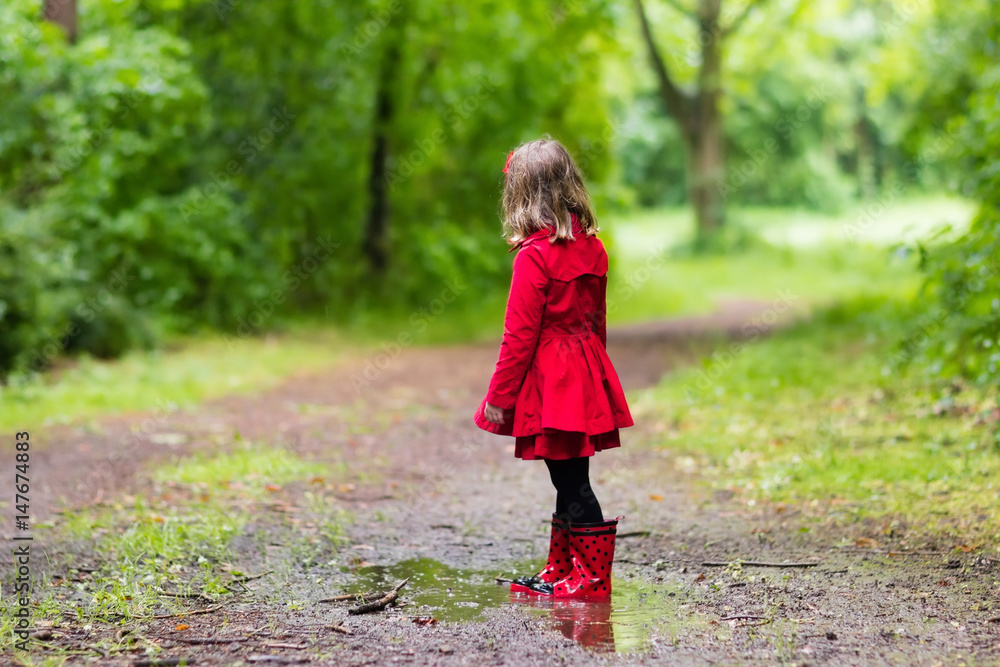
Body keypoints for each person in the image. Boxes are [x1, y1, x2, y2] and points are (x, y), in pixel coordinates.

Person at [474, 139, 633, 599]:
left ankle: (591, 581)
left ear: (523, 194)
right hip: (583, 374)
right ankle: (562, 569)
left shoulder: (534, 255)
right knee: (567, 472)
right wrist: (597, 380)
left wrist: (499, 400)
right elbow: (597, 322)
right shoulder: (593, 248)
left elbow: (518, 338)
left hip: (554, 381)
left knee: (571, 478)